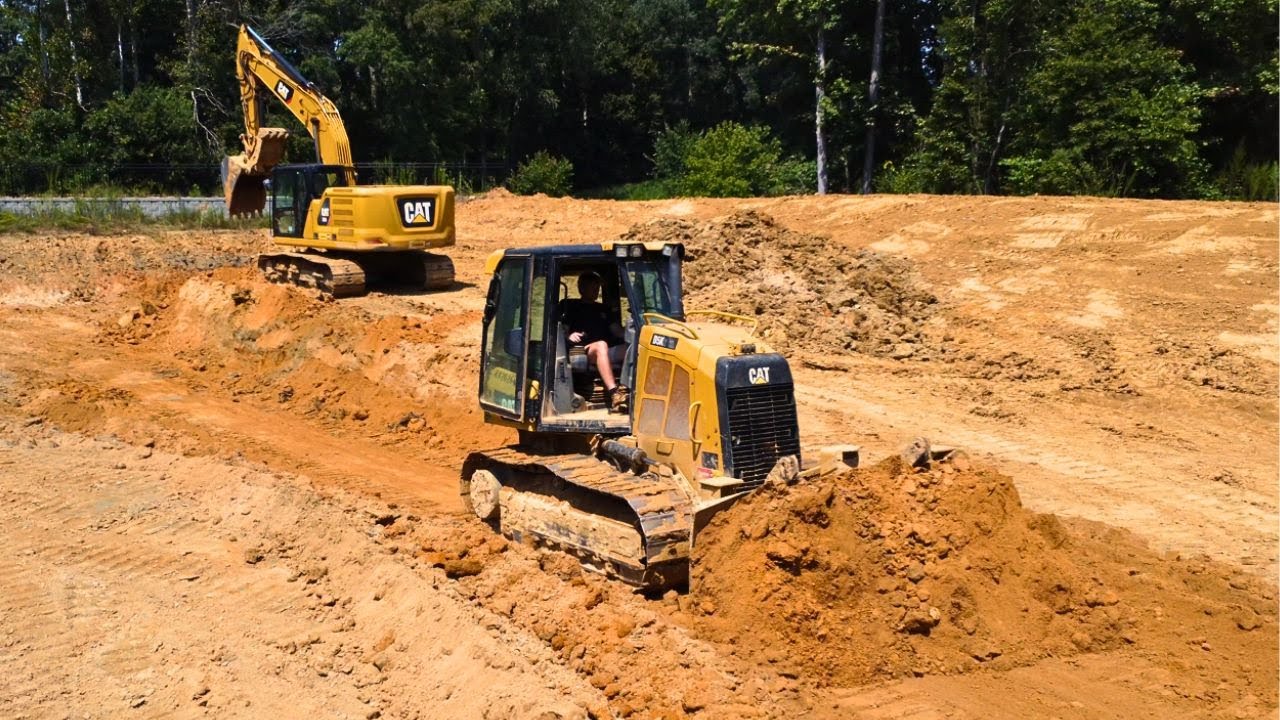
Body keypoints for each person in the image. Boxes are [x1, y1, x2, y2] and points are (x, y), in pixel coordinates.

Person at [562, 271, 629, 413]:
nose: (595, 291)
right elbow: (562, 330)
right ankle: (614, 393)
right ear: (581, 288)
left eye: (597, 288)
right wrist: (569, 336)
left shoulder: (603, 309)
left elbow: (617, 331)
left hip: (606, 352)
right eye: (592, 288)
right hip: (583, 350)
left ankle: (633, 390)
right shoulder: (572, 307)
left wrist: (634, 334)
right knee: (601, 345)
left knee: (633, 348)